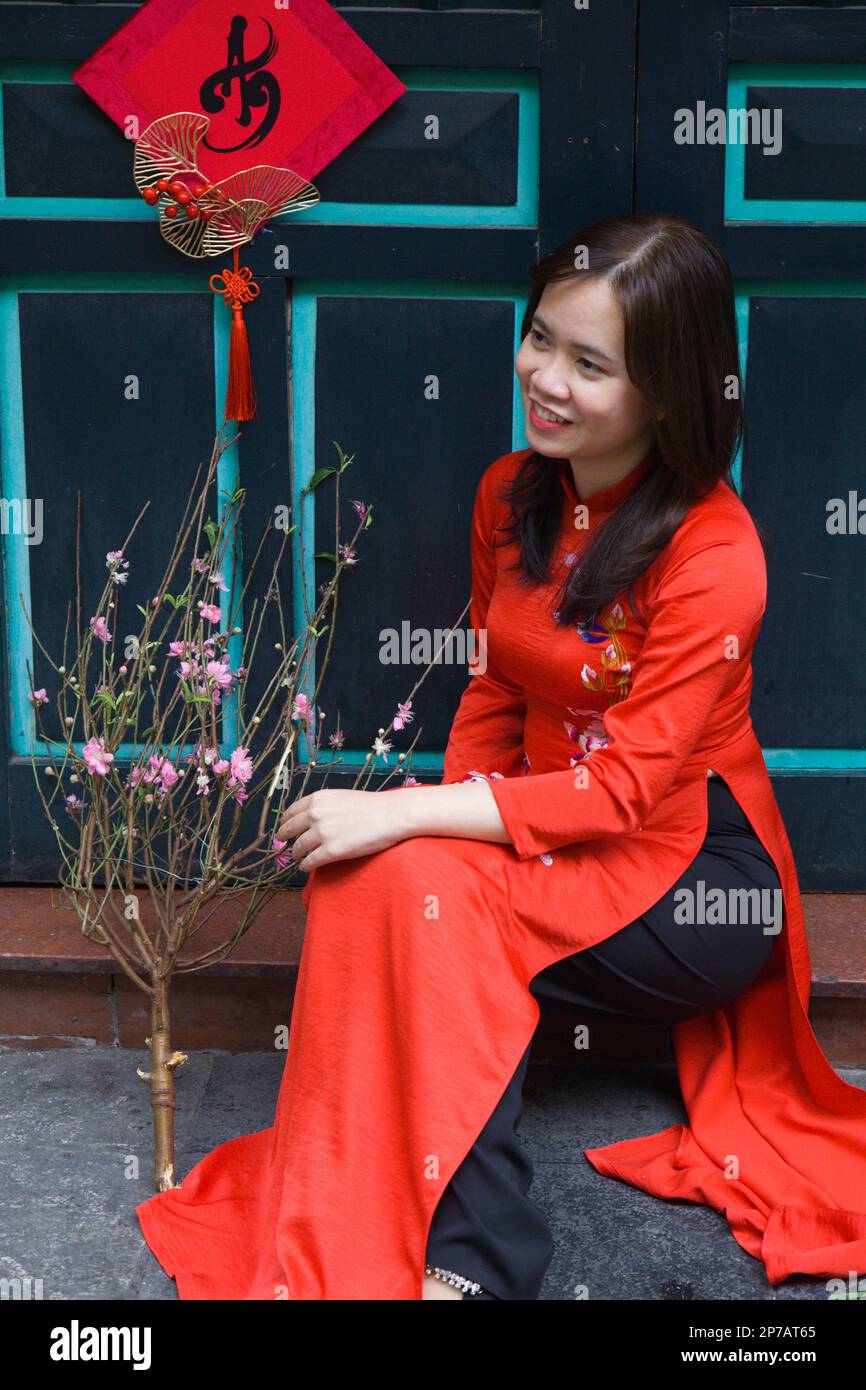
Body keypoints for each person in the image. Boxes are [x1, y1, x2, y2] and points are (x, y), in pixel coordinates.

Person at [136, 213, 866, 1300]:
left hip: (690, 878)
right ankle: (433, 1234)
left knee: (428, 883)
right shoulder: (510, 493)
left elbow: (623, 791)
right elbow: (490, 688)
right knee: (390, 885)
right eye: (539, 340)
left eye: (589, 364)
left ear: (666, 391)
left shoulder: (716, 554)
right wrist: (421, 829)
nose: (545, 378)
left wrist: (412, 820)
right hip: (549, 835)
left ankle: (472, 1266)